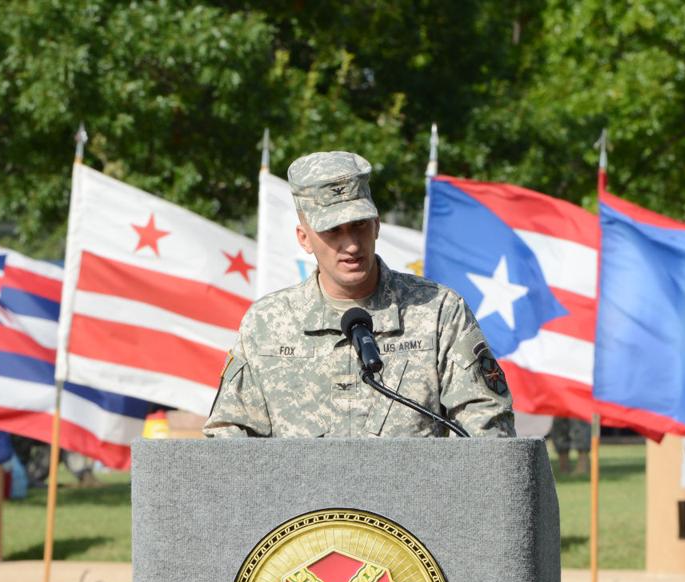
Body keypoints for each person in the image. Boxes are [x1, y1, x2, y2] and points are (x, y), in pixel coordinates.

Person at [204, 151, 515, 438]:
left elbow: (488, 433)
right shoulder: (267, 323)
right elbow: (229, 443)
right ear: (304, 238)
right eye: (333, 231)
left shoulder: (438, 311)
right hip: (301, 499)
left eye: (360, 226)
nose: (352, 244)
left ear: (377, 226)